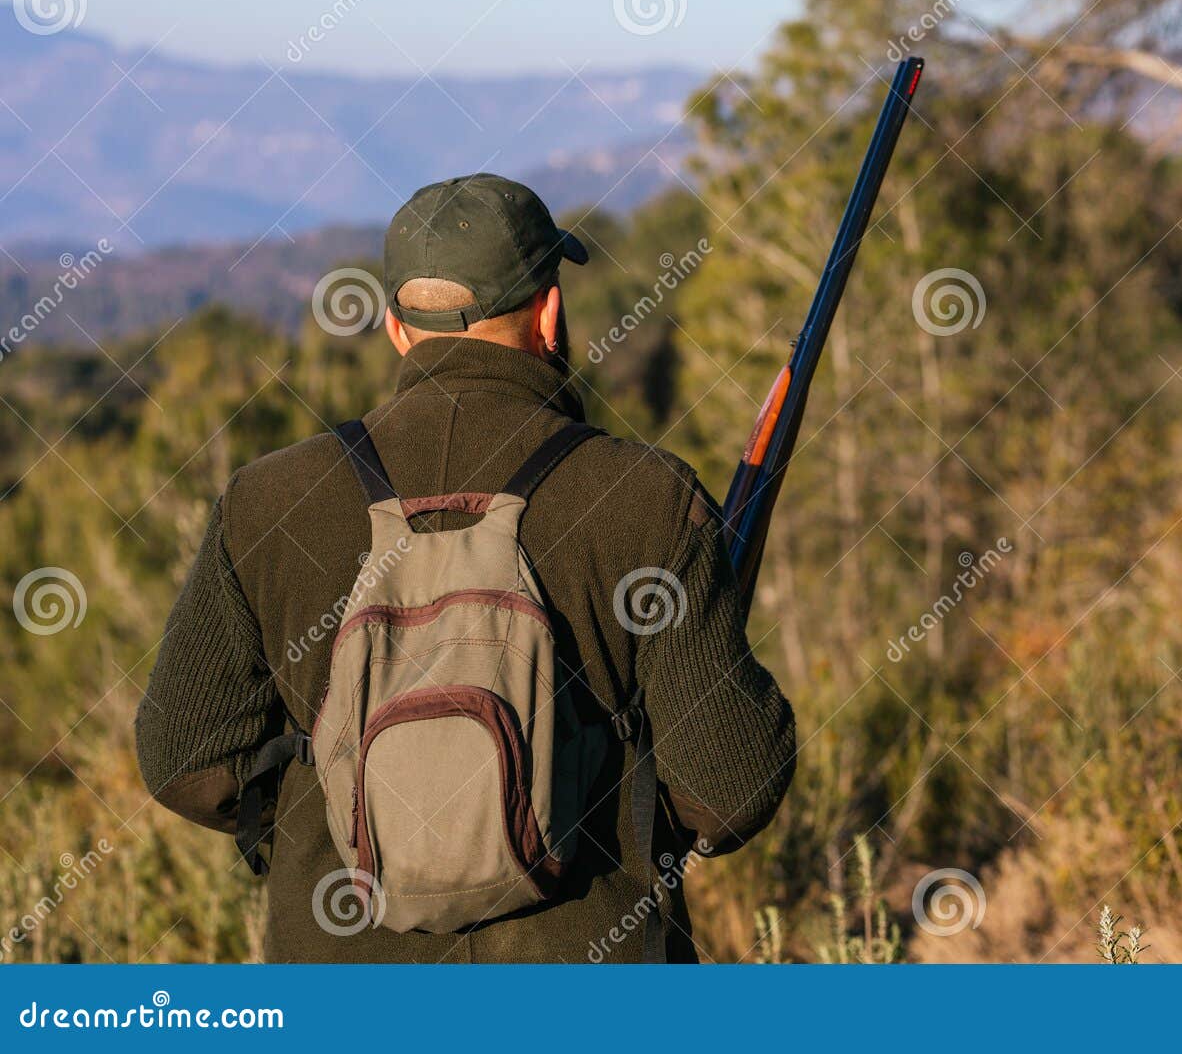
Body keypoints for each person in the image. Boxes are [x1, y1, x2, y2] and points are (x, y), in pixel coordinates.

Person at [135, 173, 796, 962]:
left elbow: (183, 756)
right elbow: (731, 788)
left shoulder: (267, 499)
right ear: (550, 312)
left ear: (395, 329)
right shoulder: (645, 496)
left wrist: (354, 800)